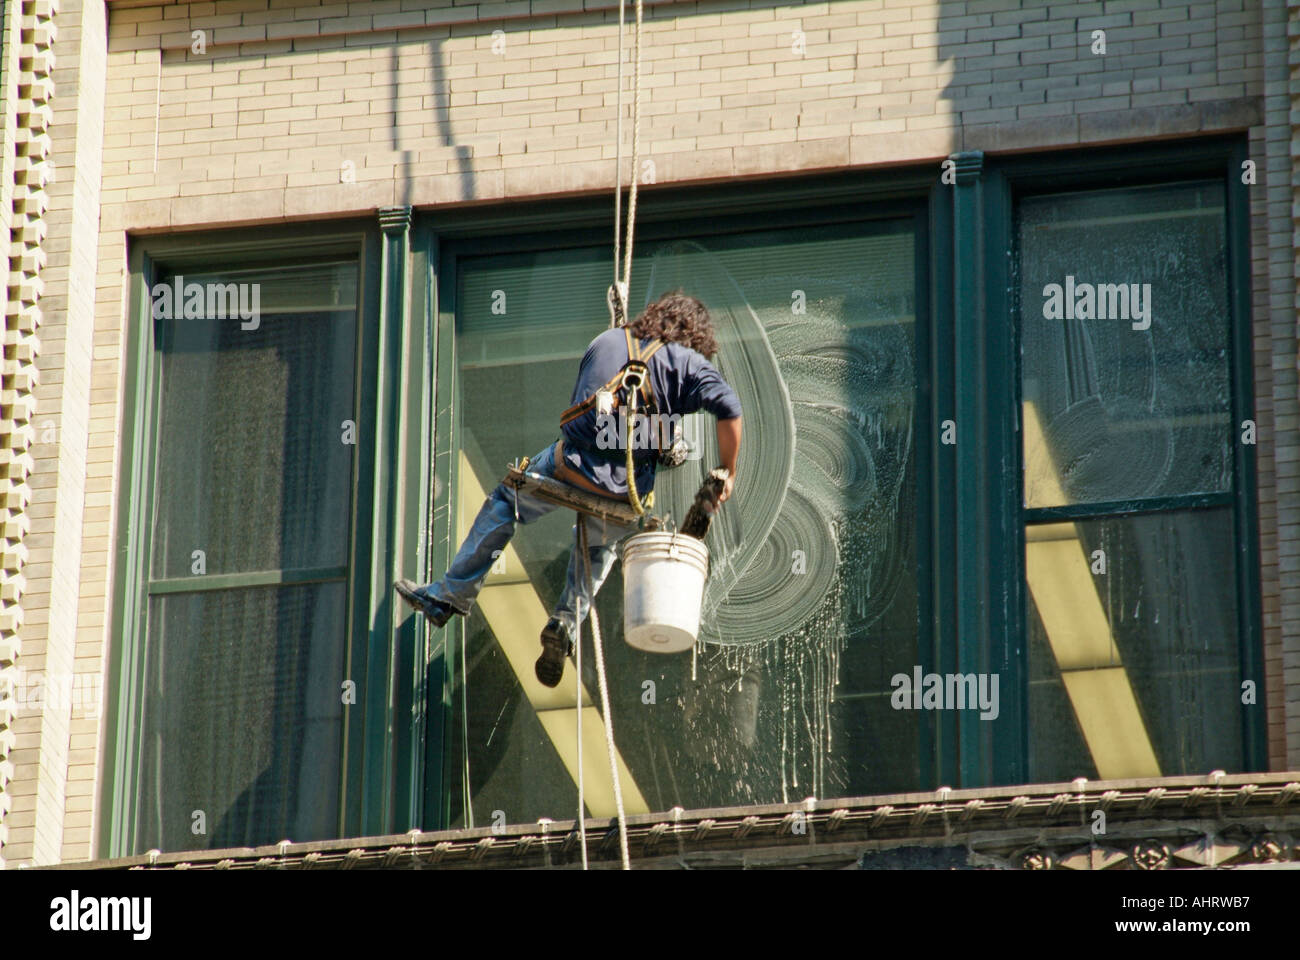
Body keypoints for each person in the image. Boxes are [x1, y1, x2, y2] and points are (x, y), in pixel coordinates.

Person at [395, 289, 743, 688]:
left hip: (570, 469)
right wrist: (725, 468)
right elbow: (730, 409)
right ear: (694, 336)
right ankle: (564, 624)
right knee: (600, 545)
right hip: (622, 495)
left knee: (507, 501)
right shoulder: (689, 365)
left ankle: (450, 595)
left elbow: (584, 406)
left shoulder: (607, 341)